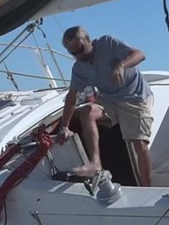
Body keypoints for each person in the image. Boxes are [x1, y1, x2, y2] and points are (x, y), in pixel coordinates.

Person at [57, 25, 153, 186]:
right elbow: (71, 97)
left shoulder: (107, 43)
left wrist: (121, 65)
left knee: (139, 145)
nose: (79, 55)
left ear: (88, 40)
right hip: (109, 100)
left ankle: (146, 186)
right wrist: (64, 127)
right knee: (87, 111)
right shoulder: (79, 69)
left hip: (134, 98)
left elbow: (140, 54)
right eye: (73, 53)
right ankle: (95, 163)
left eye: (80, 49)